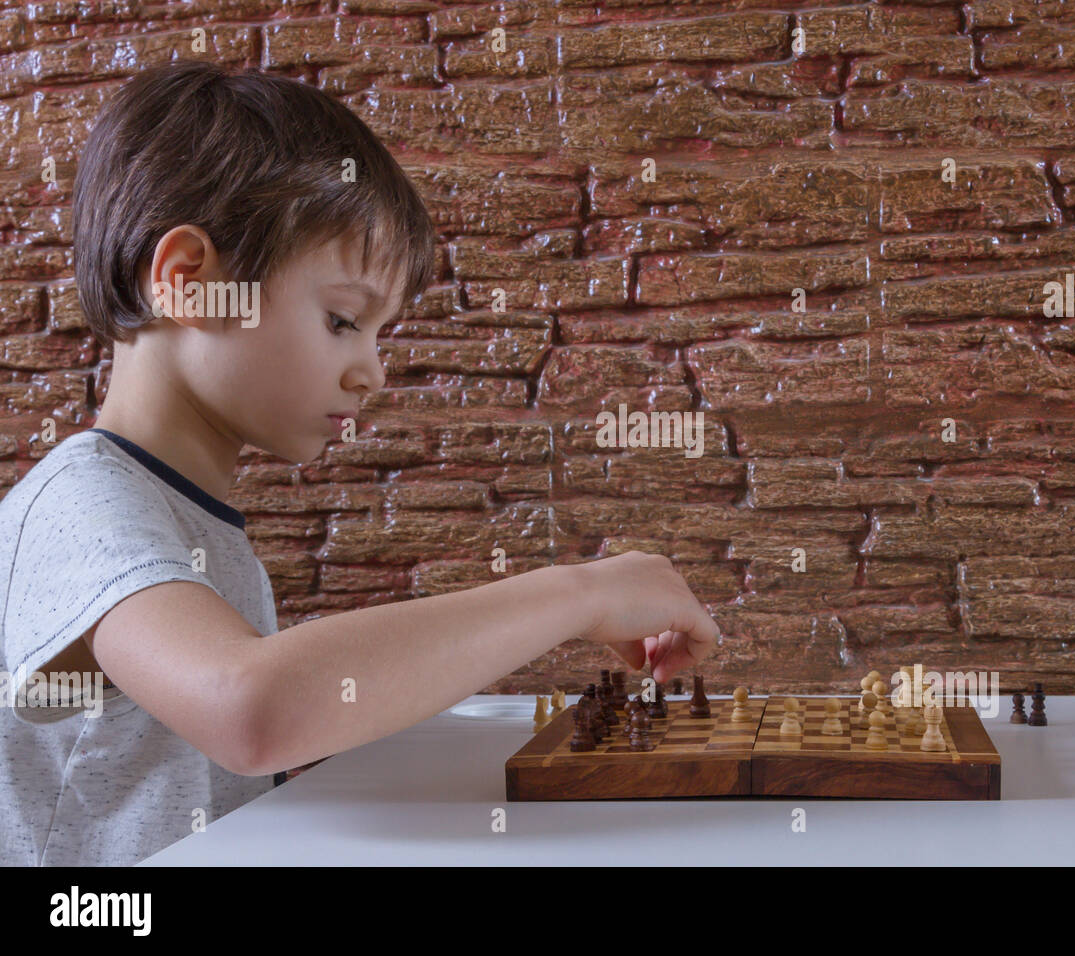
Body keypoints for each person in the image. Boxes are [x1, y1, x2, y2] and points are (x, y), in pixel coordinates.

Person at [0, 61, 719, 866]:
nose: (372, 372)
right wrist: (584, 592)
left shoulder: (186, 518)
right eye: (343, 320)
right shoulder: (78, 506)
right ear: (190, 283)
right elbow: (252, 710)